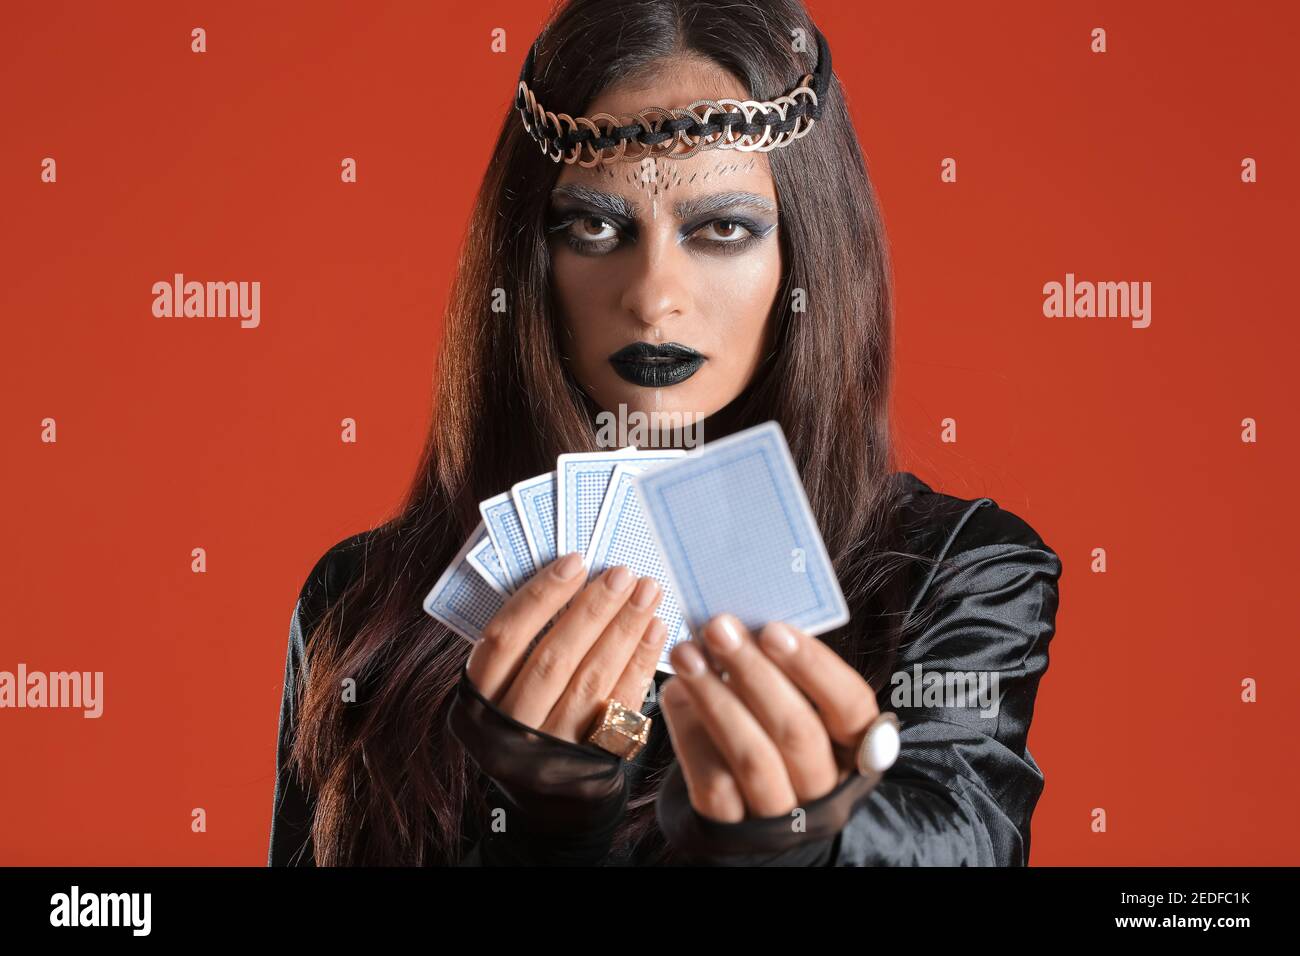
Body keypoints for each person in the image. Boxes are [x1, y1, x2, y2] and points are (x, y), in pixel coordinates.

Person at [268, 0, 1063, 867]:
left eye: (721, 228)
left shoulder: (958, 573)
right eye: (595, 227)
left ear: (807, 254)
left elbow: (960, 839)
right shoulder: (362, 602)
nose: (653, 297)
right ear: (530, 259)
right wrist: (542, 831)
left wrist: (809, 845)